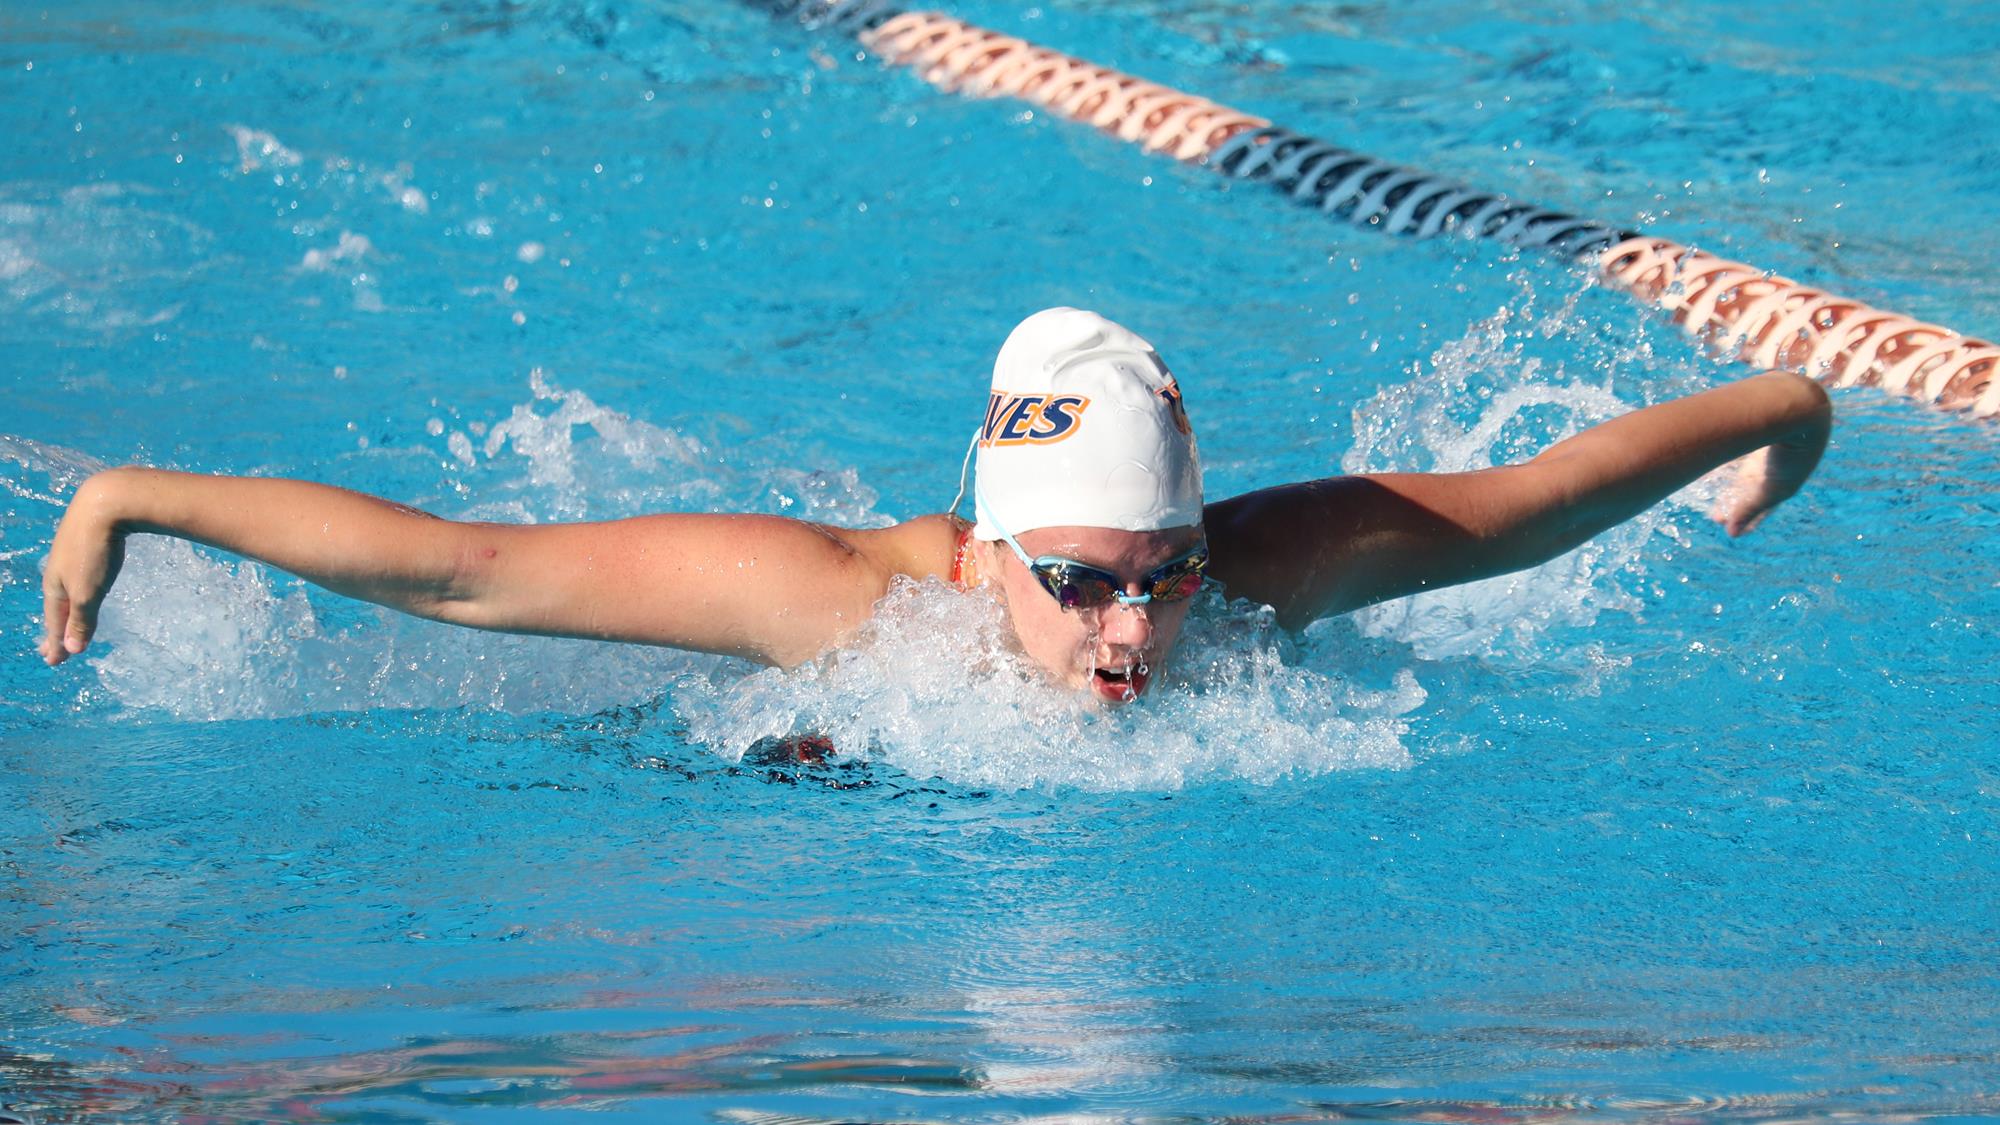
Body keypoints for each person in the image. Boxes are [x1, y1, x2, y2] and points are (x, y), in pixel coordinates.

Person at [37, 308, 1831, 705]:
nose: (1138, 632)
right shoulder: (834, 604)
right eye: (1083, 584)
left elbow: (1540, 502)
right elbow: (465, 570)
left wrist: (1797, 410)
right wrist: (139, 495)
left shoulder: (1261, 577)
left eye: (1170, 579)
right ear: (983, 551)